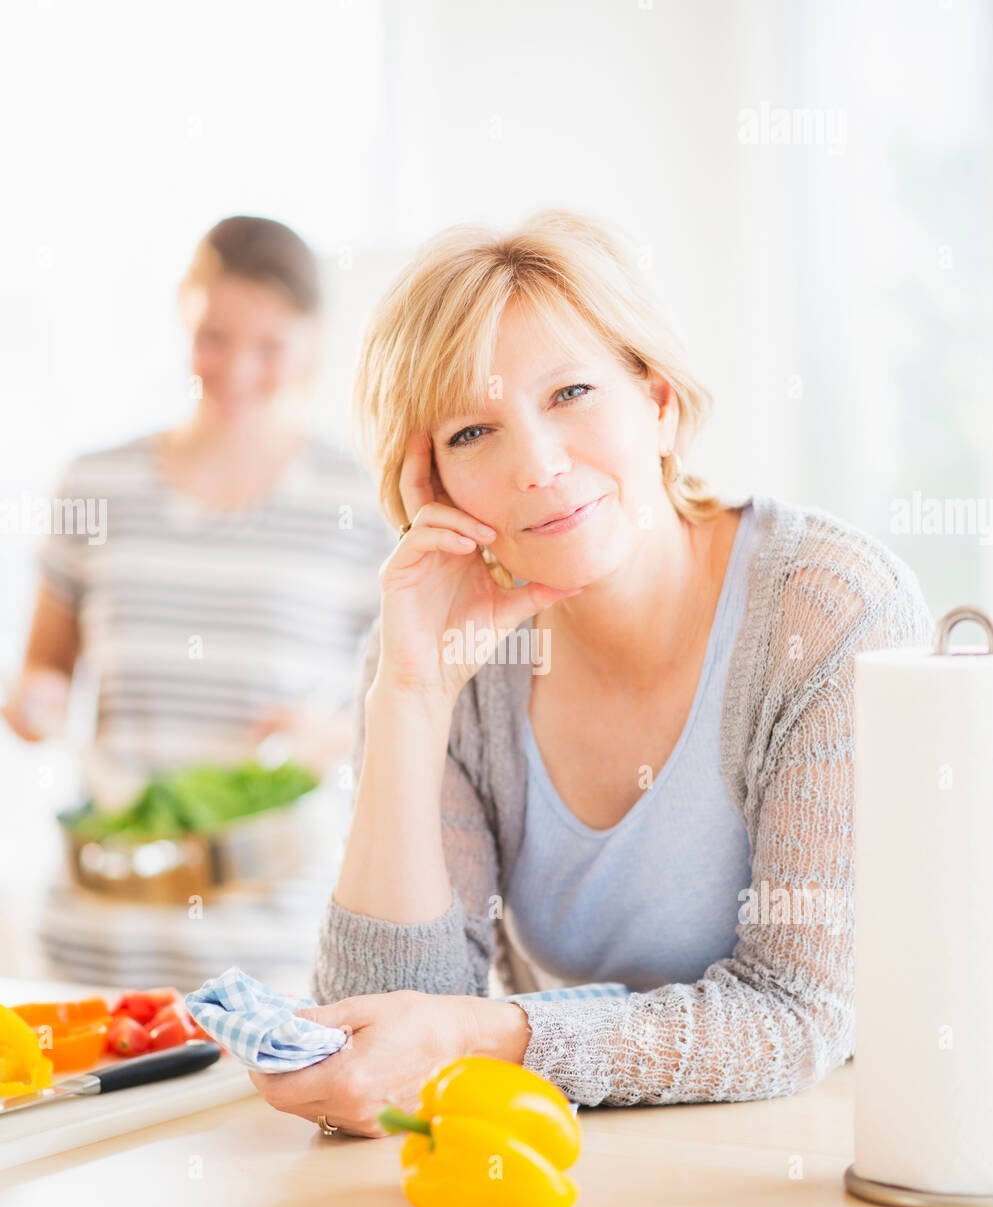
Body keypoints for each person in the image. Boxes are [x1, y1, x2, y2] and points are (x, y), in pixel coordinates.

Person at [248, 207, 934, 1136]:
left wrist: (491, 1038)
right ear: (432, 485)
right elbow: (384, 1037)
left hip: (815, 1167)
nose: (535, 463)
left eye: (570, 394)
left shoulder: (827, 608)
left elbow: (792, 1014)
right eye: (469, 433)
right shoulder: (440, 653)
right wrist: (410, 697)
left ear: (655, 401)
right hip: (566, 1172)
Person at [2, 215, 395, 993]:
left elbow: (412, 706)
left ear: (312, 341)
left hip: (275, 942)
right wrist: (36, 701)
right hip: (98, 934)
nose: (238, 369)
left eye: (269, 347)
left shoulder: (359, 500)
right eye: (214, 338)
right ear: (184, 322)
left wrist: (334, 736)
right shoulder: (98, 484)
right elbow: (45, 668)